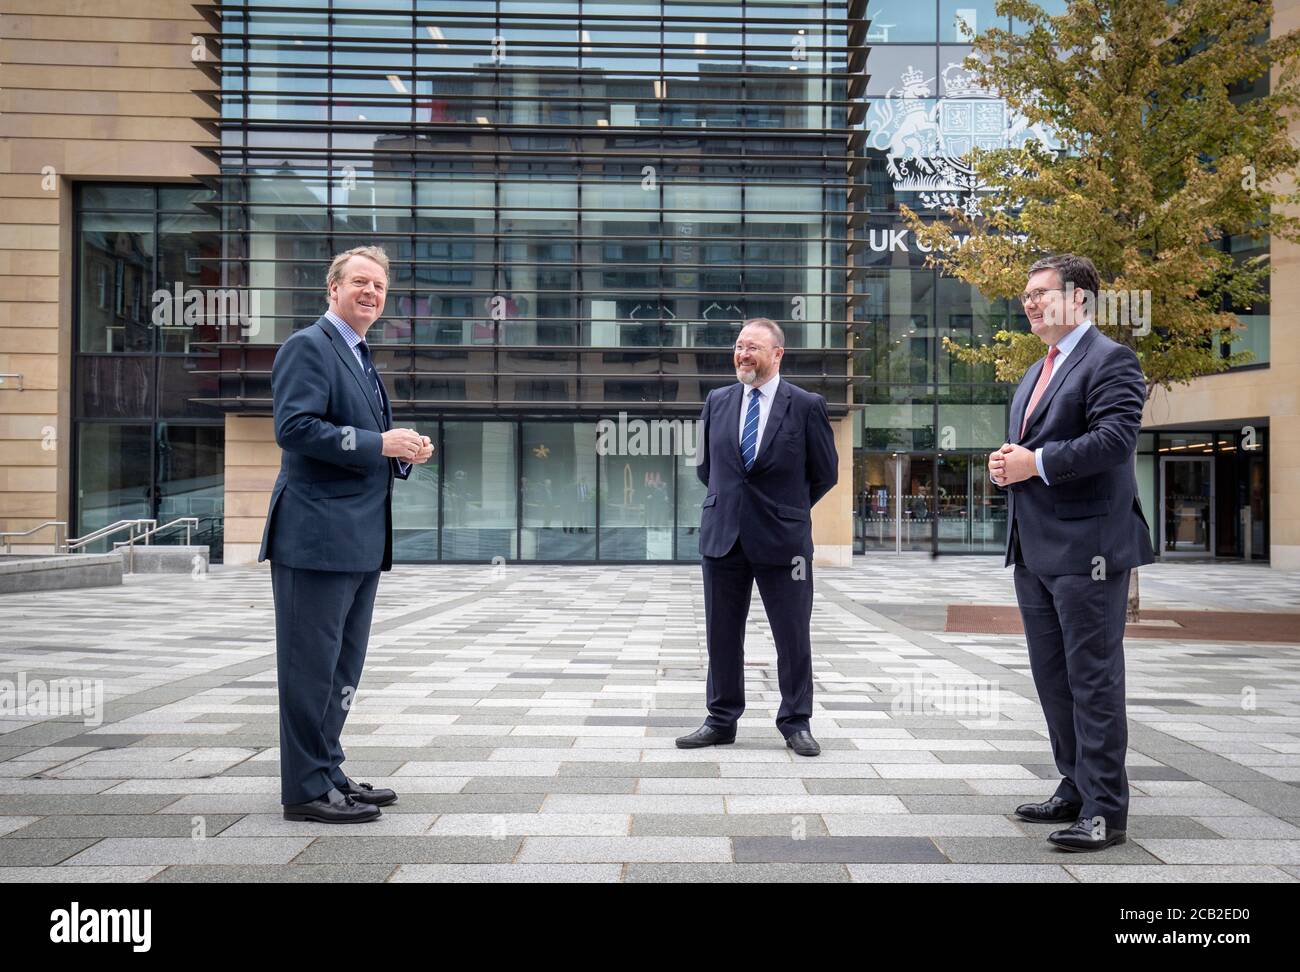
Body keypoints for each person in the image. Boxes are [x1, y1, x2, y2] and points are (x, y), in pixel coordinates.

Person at [259, 245, 434, 824]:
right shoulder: (308, 346)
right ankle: (305, 791)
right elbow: (295, 428)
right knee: (310, 667)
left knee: (341, 669)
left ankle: (328, 771)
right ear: (332, 289)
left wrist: (401, 450)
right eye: (360, 282)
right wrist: (377, 443)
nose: (371, 293)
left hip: (356, 540)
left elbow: (361, 439)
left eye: (379, 287)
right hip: (314, 538)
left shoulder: (360, 356)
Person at [989, 254, 1154, 852]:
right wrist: (1009, 465)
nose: (1029, 303)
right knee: (1053, 679)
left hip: (1090, 551)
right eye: (1025, 295)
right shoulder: (1035, 372)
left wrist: (1037, 463)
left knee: (1093, 680)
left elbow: (1113, 440)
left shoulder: (1111, 360)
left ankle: (1106, 811)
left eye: (1041, 293)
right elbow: (1035, 448)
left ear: (1079, 297)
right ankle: (1075, 784)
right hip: (1035, 551)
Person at [677, 318, 838, 757]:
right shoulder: (718, 400)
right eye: (739, 346)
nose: (743, 354)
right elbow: (705, 468)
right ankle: (721, 719)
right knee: (721, 634)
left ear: (777, 354)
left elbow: (825, 474)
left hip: (784, 544)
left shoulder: (806, 405)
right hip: (723, 536)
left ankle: (795, 722)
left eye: (753, 348)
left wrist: (786, 511)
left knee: (792, 635)